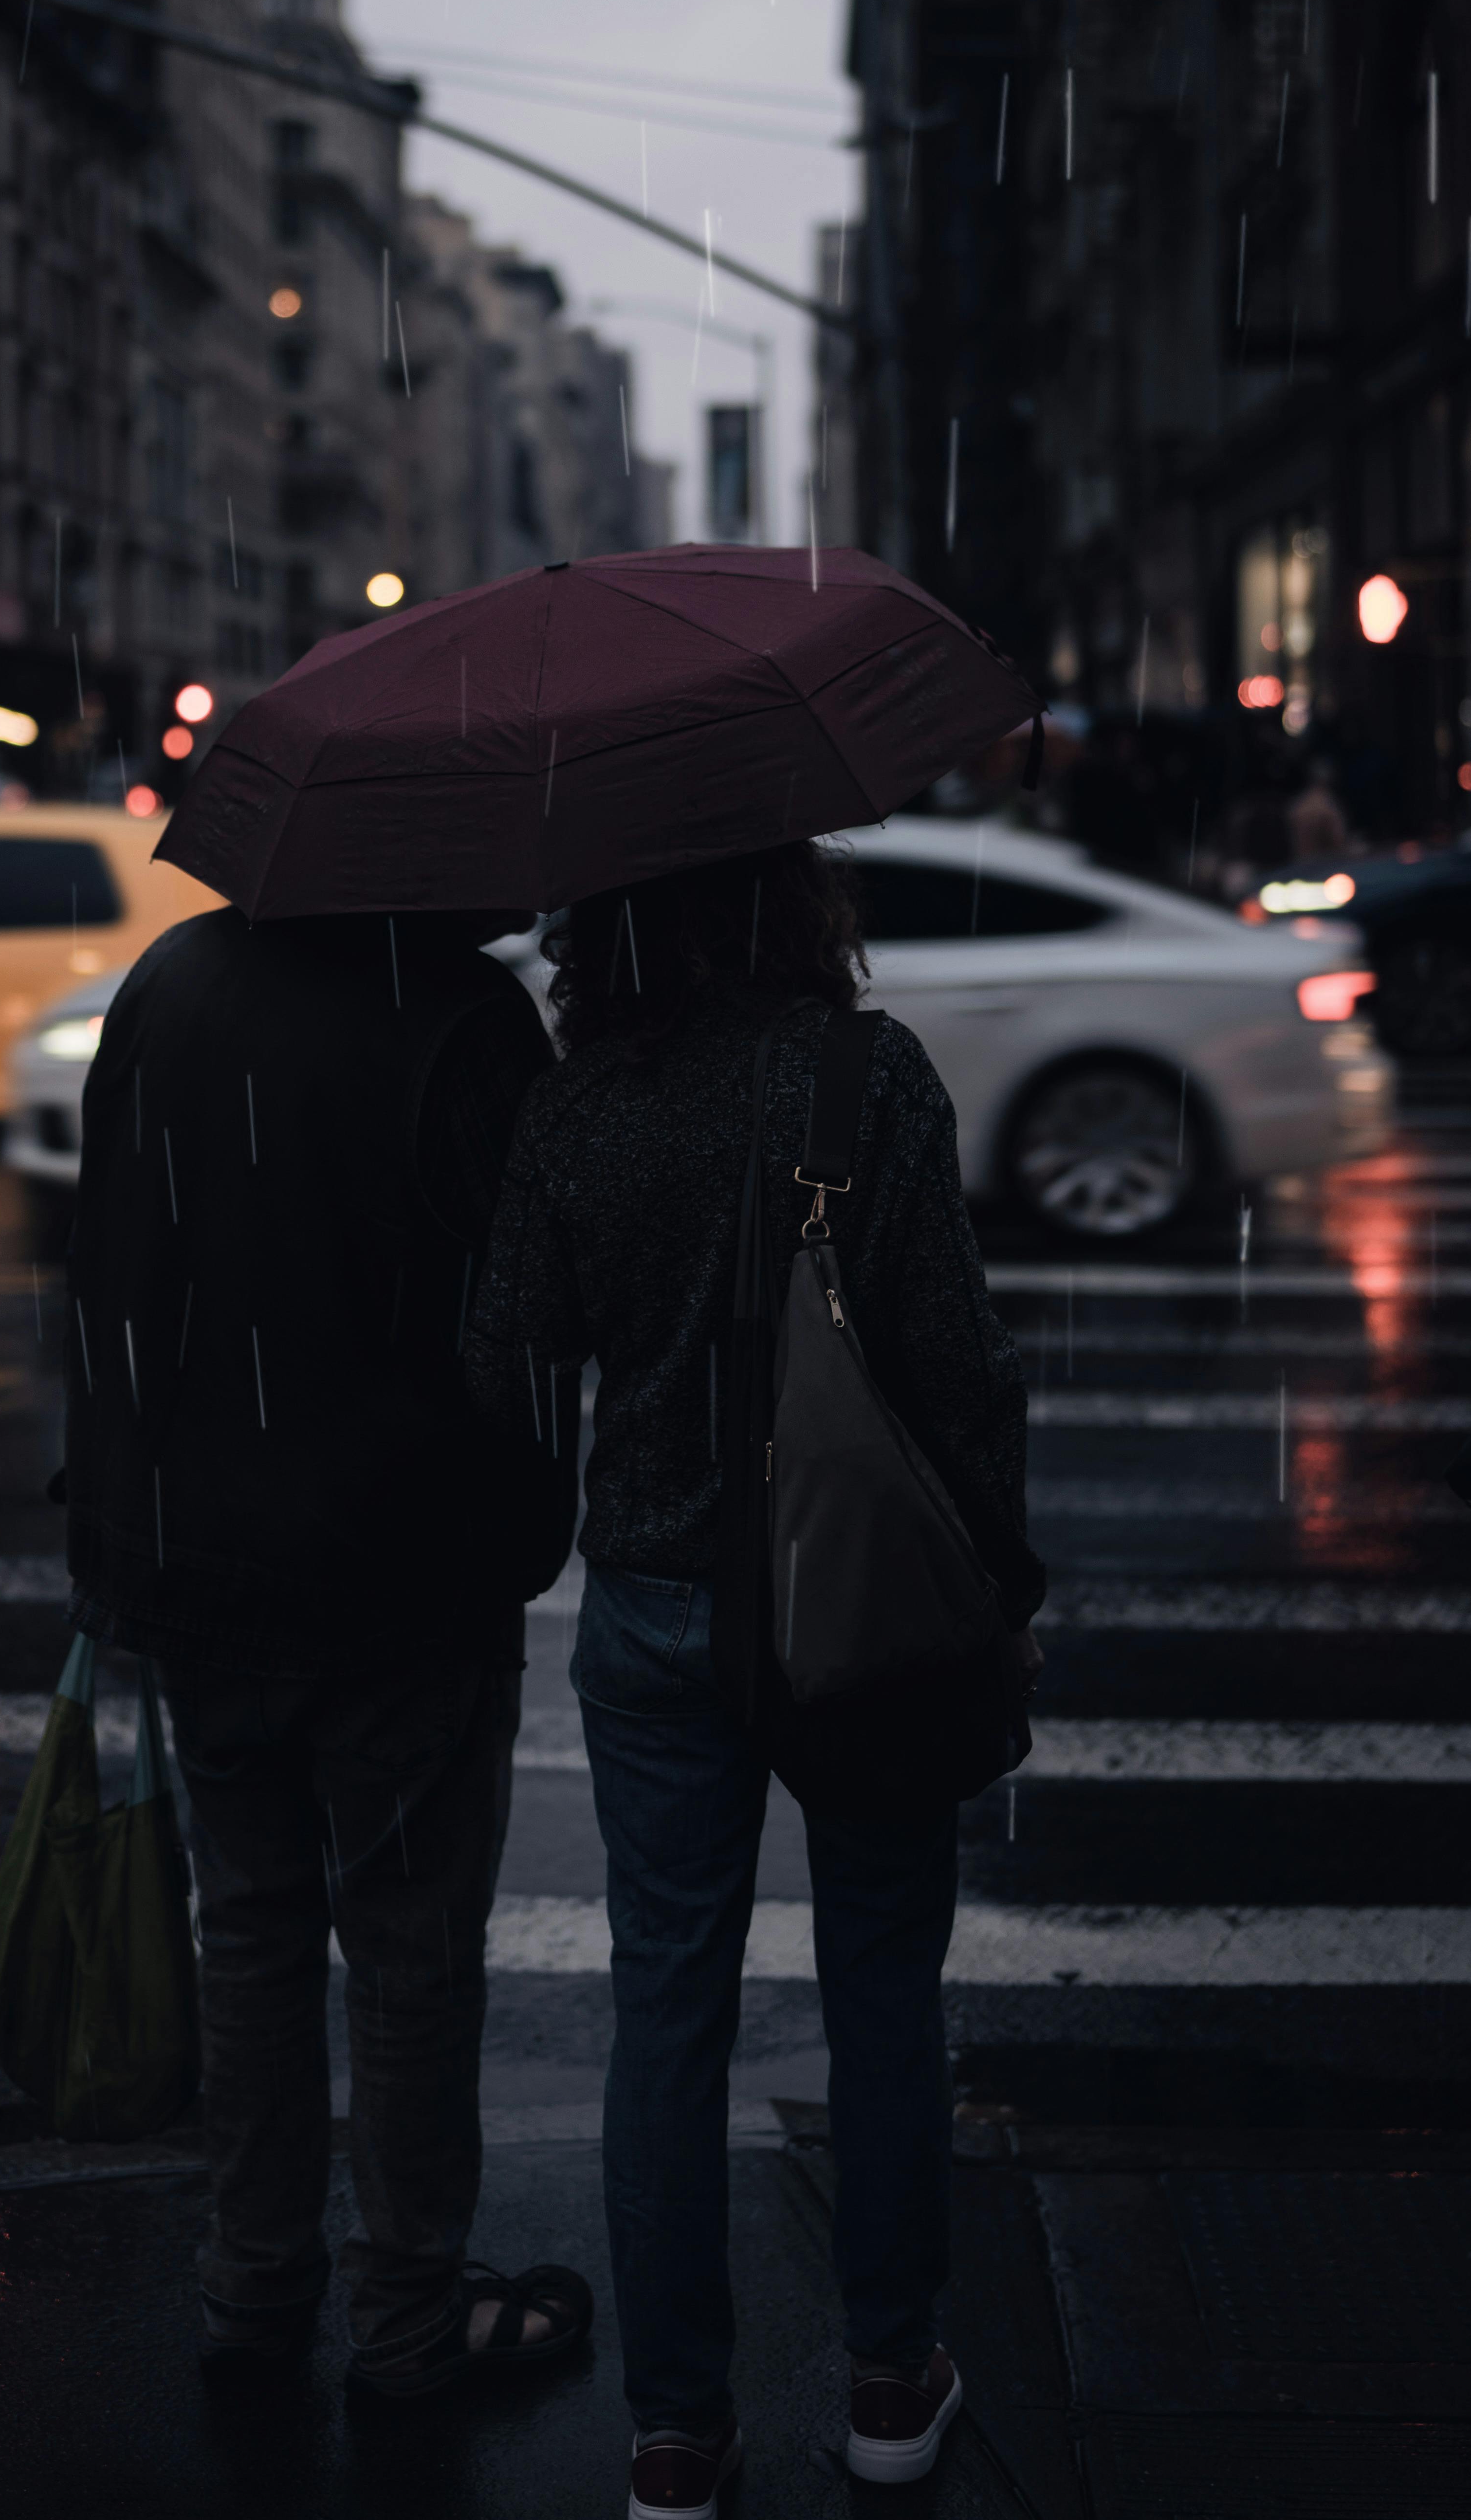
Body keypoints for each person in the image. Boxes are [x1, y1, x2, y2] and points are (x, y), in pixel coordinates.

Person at [467, 843, 1045, 2507]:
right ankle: (889, 2376)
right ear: (791, 902)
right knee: (882, 1985)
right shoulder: (864, 1075)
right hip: (857, 1601)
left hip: (656, 1605)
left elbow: (512, 1344)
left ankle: (674, 2435)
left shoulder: (581, 1102)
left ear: (603, 923)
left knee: (666, 2009)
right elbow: (957, 1367)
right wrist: (1001, 1584)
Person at [61, 903, 595, 2397]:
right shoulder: (461, 1018)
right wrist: (519, 1528)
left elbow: (106, 1253)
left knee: (251, 1937)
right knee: (411, 1961)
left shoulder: (171, 982)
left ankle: (251, 2289)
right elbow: (528, 1315)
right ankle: (405, 2314)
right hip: (401, 1576)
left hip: (198, 1563)